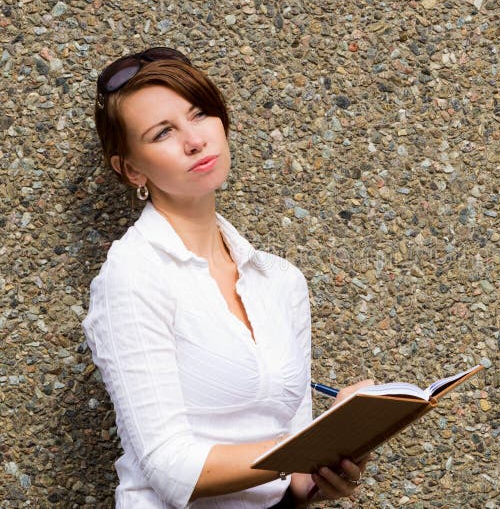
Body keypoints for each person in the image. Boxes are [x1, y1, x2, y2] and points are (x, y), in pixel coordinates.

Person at [83, 47, 372, 508]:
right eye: (162, 132)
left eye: (200, 114)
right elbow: (169, 467)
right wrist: (304, 450)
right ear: (132, 168)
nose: (194, 140)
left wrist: (328, 460)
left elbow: (291, 475)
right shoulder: (133, 275)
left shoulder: (280, 281)